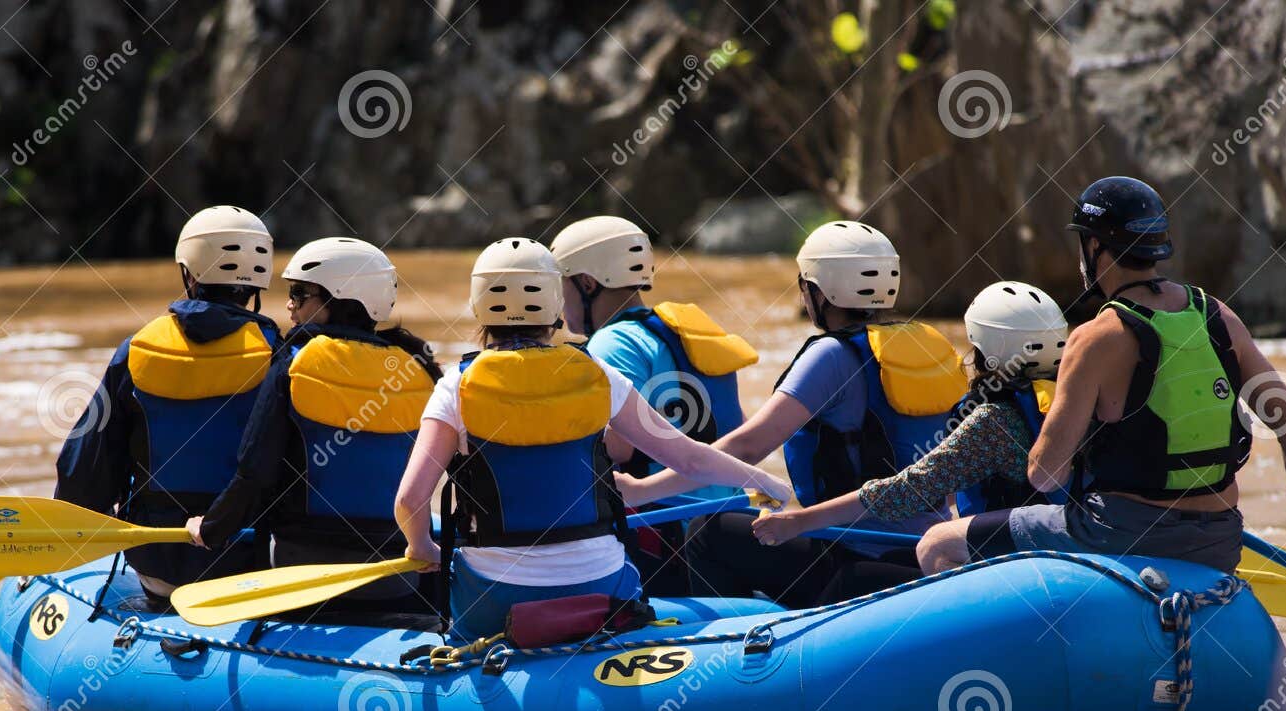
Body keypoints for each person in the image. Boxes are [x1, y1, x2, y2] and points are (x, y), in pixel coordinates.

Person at [915, 176, 1286, 585]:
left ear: (1095, 248)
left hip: (1120, 536)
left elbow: (1045, 474)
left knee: (936, 544)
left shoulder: (1094, 339)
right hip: (1219, 540)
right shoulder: (1219, 317)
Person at [393, 238, 791, 642]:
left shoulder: (455, 387)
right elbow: (690, 459)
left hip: (493, 596)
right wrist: (763, 481)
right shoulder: (597, 374)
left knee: (457, 604)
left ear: (478, 305)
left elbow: (410, 501)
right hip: (599, 587)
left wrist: (421, 546)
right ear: (553, 303)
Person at [617, 220, 961, 607]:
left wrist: (643, 488)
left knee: (707, 533)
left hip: (856, 557)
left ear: (817, 290)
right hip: (925, 549)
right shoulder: (931, 346)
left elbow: (747, 447)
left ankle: (738, 646)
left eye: (804, 287)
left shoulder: (832, 355)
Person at [187, 238, 441, 611]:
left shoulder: (293, 363)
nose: (289, 304)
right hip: (395, 577)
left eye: (300, 293)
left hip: (302, 577)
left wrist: (210, 529)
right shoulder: (419, 370)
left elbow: (255, 473)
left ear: (340, 299)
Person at [55, 205, 281, 600]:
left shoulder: (137, 351)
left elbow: (84, 471)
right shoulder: (283, 357)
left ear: (188, 273)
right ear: (258, 281)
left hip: (159, 566)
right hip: (253, 566)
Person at [752, 281, 1068, 552]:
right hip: (1072, 544)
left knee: (937, 542)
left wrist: (799, 520)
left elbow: (908, 490)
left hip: (1021, 563)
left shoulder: (995, 420)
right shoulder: (1076, 399)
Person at [550, 215, 759, 593]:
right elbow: (740, 435)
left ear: (586, 283)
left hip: (668, 542)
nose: (557, 303)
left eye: (559, 286)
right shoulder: (690, 332)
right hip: (733, 529)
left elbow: (618, 445)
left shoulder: (610, 344)